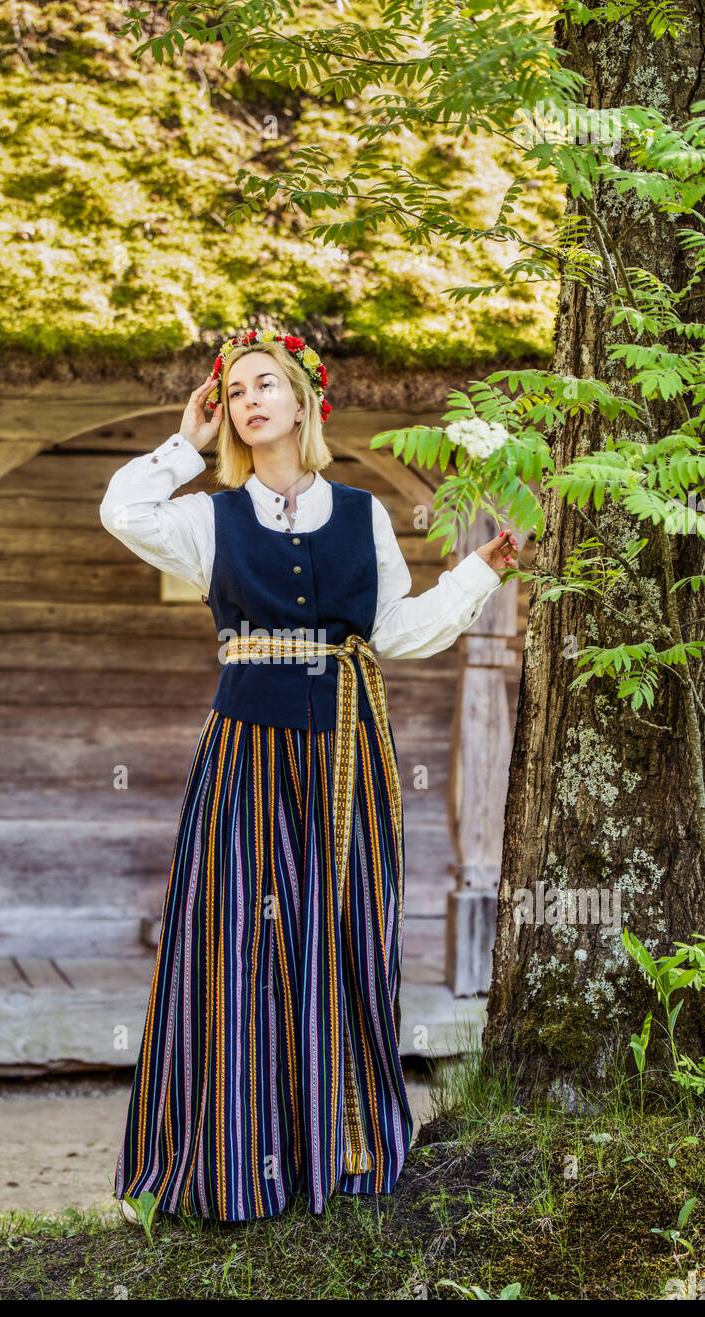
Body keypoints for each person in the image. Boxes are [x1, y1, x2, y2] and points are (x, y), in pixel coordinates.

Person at [100, 330, 518, 1225]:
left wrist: (477, 574)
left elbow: (395, 631)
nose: (248, 401)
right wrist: (183, 442)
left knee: (340, 934)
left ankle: (337, 1149)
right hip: (244, 758)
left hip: (343, 752)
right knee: (233, 947)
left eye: (265, 385)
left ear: (302, 404)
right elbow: (123, 509)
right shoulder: (209, 519)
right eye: (233, 391)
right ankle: (225, 1165)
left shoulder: (363, 514)